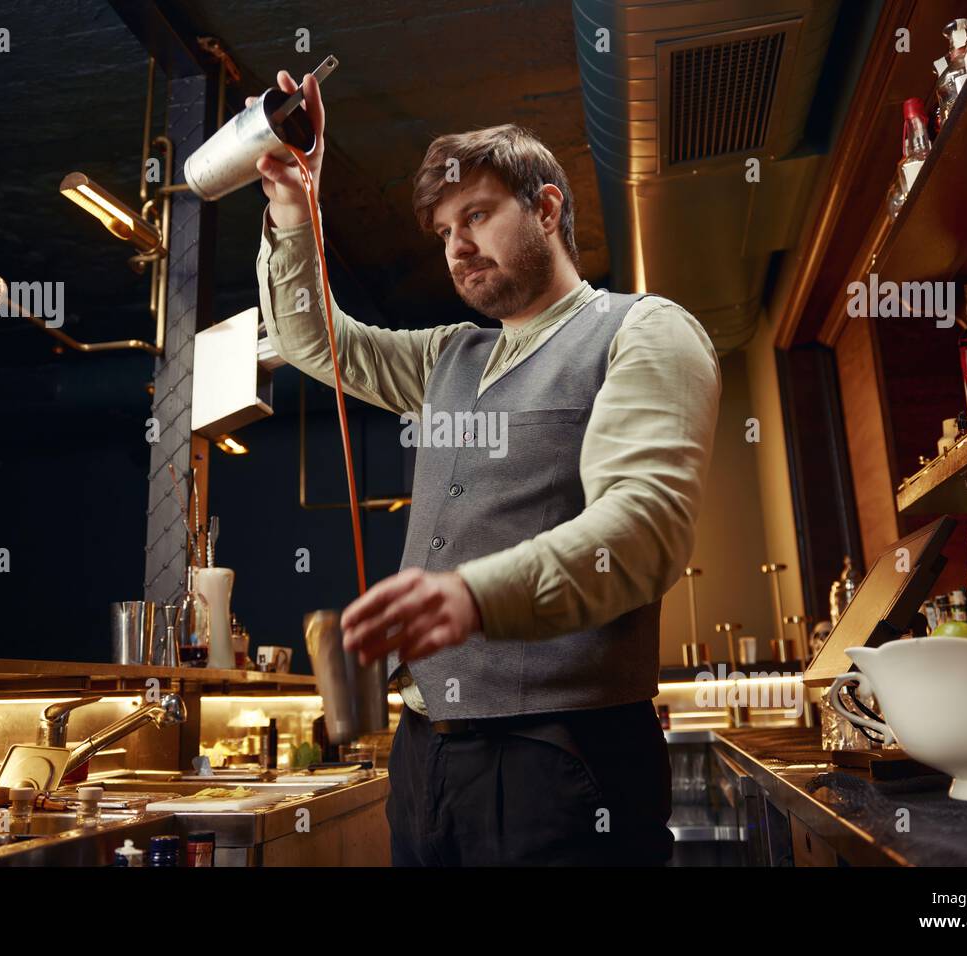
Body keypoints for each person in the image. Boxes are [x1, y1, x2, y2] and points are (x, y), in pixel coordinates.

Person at [252, 70, 721, 865]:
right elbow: (312, 341)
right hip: (426, 760)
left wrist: (475, 594)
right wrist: (296, 212)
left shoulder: (641, 330)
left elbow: (643, 530)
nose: (458, 246)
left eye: (476, 215)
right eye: (442, 231)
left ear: (545, 208)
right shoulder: (450, 355)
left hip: (563, 762)